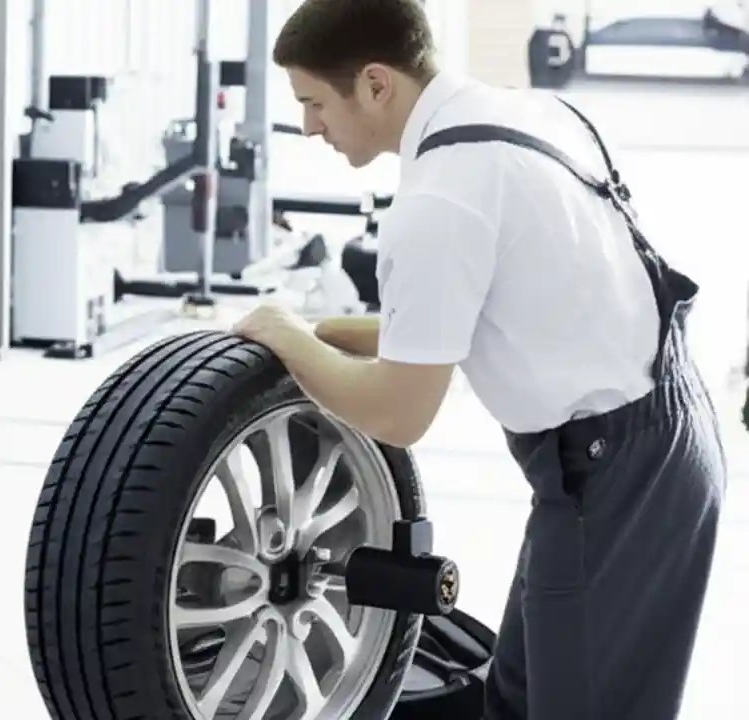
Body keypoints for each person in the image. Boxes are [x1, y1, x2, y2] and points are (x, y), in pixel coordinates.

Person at [230, 1, 726, 719]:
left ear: (375, 84)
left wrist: (284, 334)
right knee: (520, 700)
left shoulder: (437, 203)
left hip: (615, 473)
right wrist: (327, 332)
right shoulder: (532, 115)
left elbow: (399, 414)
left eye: (313, 102)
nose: (309, 125)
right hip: (650, 437)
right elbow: (491, 308)